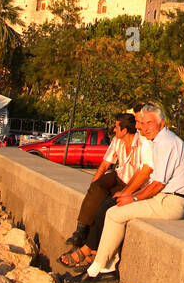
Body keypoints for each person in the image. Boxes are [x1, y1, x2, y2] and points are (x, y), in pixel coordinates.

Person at [71, 102, 184, 283]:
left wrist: (133, 197)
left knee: (114, 213)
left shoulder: (167, 142)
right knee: (114, 207)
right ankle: (104, 268)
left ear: (162, 123)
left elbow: (158, 183)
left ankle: (98, 269)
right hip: (163, 198)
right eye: (142, 124)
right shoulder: (159, 141)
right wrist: (130, 195)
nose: (145, 128)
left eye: (149, 123)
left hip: (170, 203)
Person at [58, 113, 142, 267]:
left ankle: (90, 249)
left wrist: (126, 192)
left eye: (116, 127)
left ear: (124, 130)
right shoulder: (118, 141)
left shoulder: (141, 145)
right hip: (118, 176)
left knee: (106, 206)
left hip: (132, 184)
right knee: (97, 189)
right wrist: (93, 186)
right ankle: (80, 231)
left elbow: (140, 174)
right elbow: (105, 164)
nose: (114, 130)